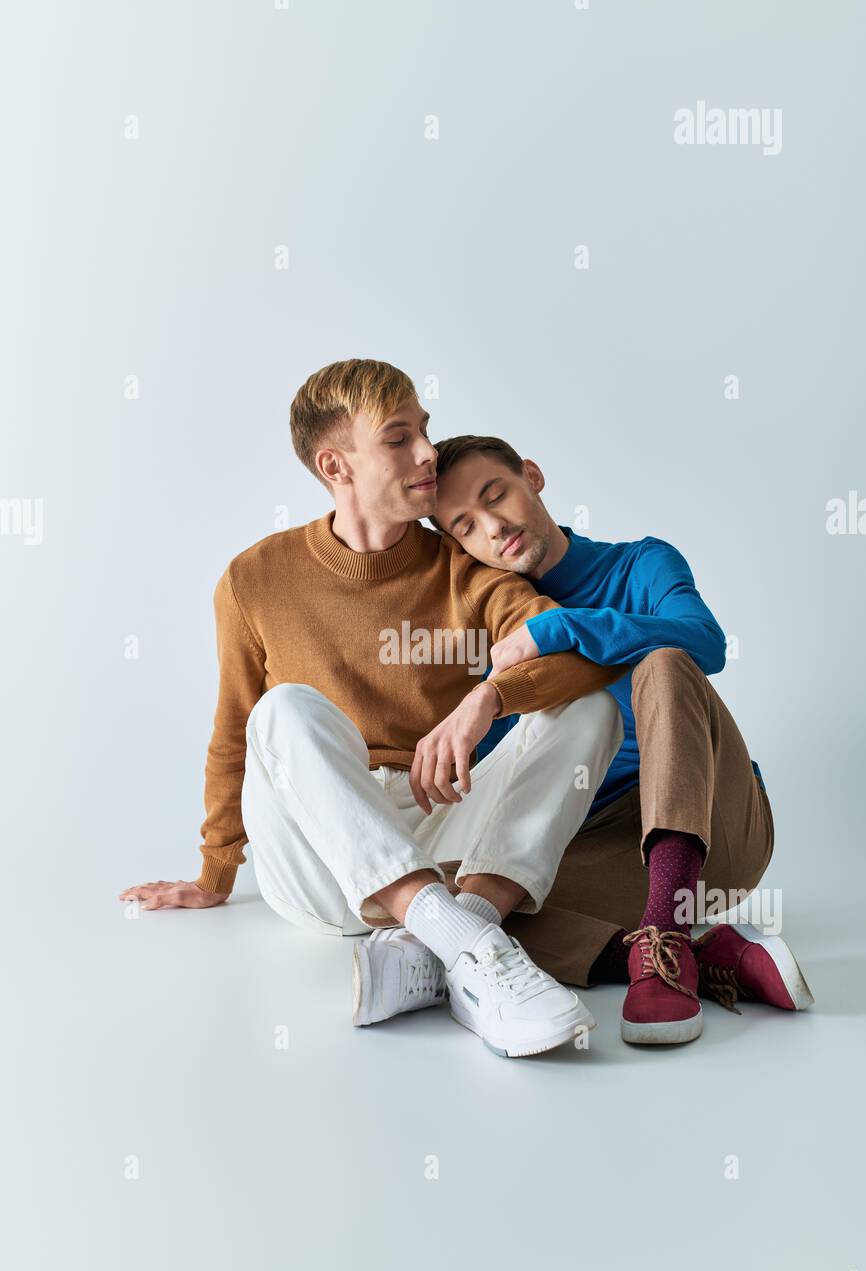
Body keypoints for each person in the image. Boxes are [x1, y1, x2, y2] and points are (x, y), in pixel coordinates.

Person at [118, 361, 626, 1060]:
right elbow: (237, 731)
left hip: (443, 839)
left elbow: (585, 655)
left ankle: (447, 943)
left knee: (588, 708)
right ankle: (477, 950)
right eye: (398, 438)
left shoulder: (463, 567)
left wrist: (491, 695)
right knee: (283, 709)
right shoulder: (254, 578)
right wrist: (214, 874)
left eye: (425, 429)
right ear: (336, 465)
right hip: (320, 862)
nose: (428, 453)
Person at [412, 433, 813, 1045]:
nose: (493, 526)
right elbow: (498, 779)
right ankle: (694, 960)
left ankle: (666, 941)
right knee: (442, 908)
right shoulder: (490, 629)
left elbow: (705, 642)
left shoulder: (640, 563)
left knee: (664, 660)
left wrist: (561, 627)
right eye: (466, 526)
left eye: (497, 495)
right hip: (606, 849)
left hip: (717, 822)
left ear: (532, 476)